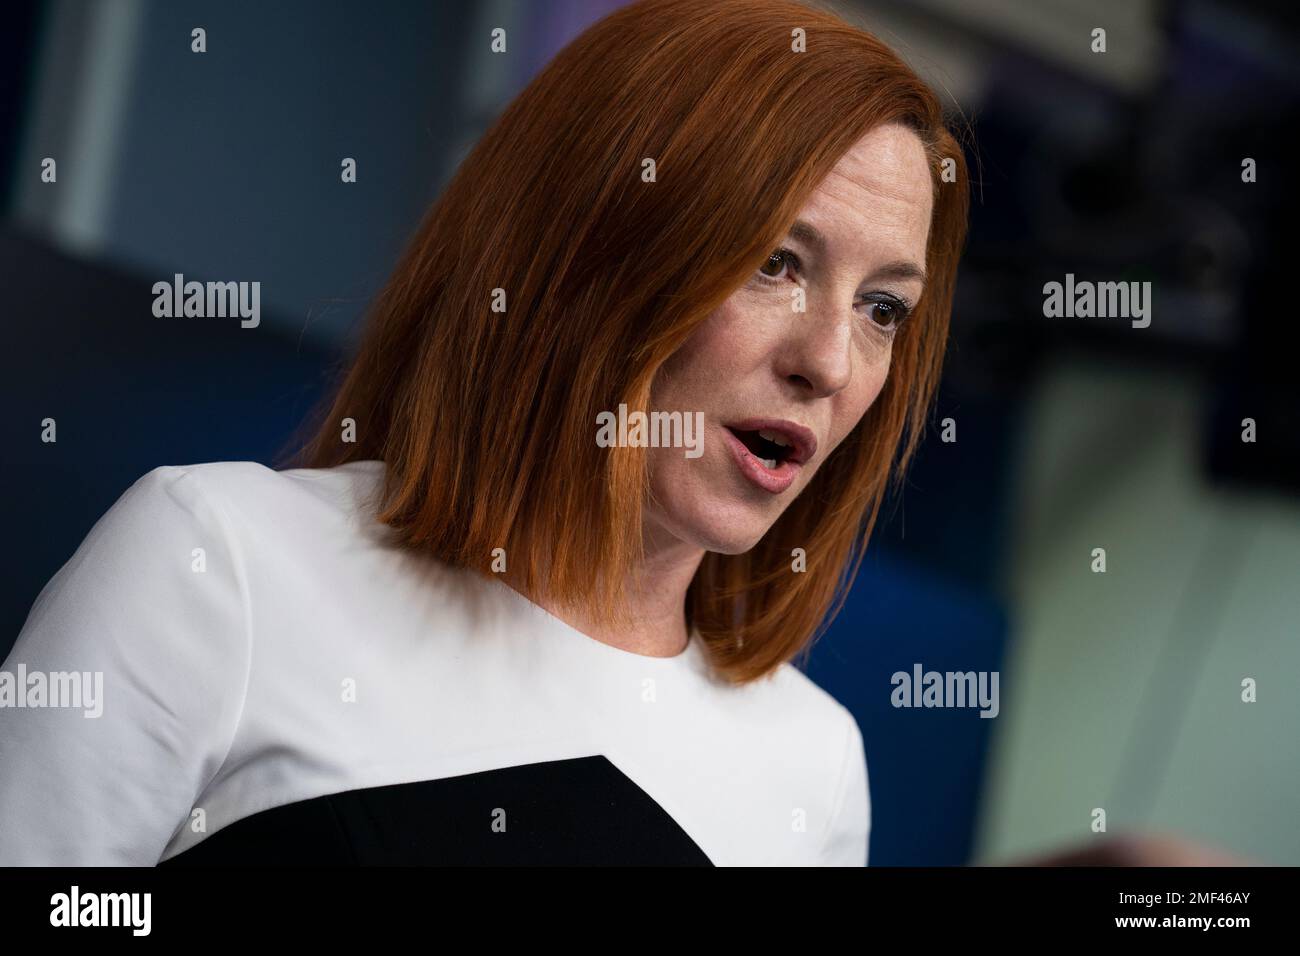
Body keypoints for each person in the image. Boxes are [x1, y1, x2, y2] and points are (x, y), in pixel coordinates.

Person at [0, 0, 968, 865]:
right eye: (774, 262)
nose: (831, 362)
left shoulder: (814, 762)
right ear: (590, 253)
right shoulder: (223, 560)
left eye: (884, 307)